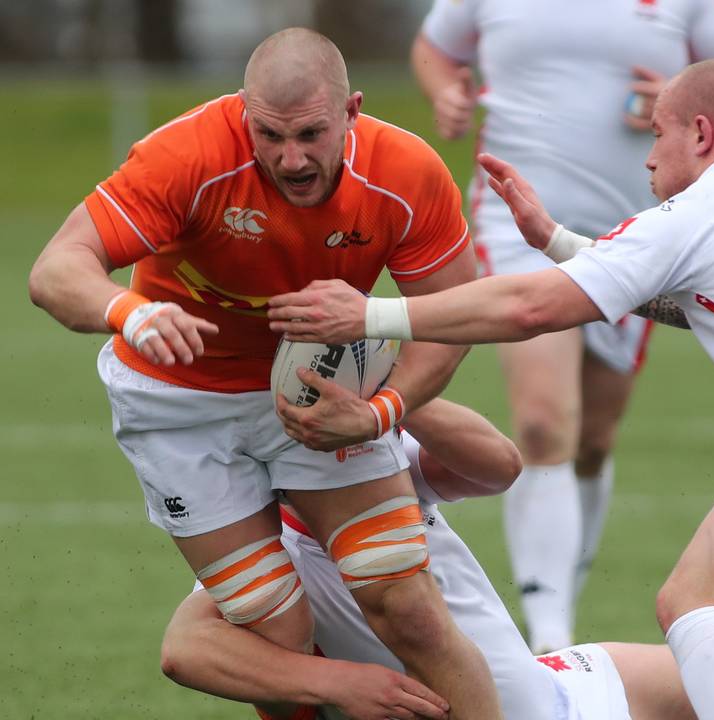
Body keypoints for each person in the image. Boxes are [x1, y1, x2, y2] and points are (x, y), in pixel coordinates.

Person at [267, 59, 714, 720]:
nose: (647, 159)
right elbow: (694, 300)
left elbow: (529, 310)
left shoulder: (703, 207)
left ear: (700, 134)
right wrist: (557, 242)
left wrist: (371, 316)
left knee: (698, 600)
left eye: (657, 133)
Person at [27, 28, 501, 719]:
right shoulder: (187, 156)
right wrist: (129, 312)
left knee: (408, 607)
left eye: (310, 133)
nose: (290, 157)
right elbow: (56, 269)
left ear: (352, 112)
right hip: (177, 406)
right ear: (242, 114)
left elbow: (448, 319)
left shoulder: (404, 173)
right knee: (271, 629)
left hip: (319, 394)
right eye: (269, 135)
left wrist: (380, 413)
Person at [410, 0, 714, 652]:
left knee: (592, 440)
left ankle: (561, 597)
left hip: (637, 230)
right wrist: (445, 91)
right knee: (544, 422)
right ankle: (550, 639)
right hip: (516, 214)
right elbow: (434, 49)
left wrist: (681, 100)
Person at [162, 397, 695, 720]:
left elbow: (499, 466)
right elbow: (184, 647)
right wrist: (341, 684)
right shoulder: (267, 547)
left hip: (551, 691)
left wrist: (391, 392)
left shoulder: (373, 473)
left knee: (710, 668)